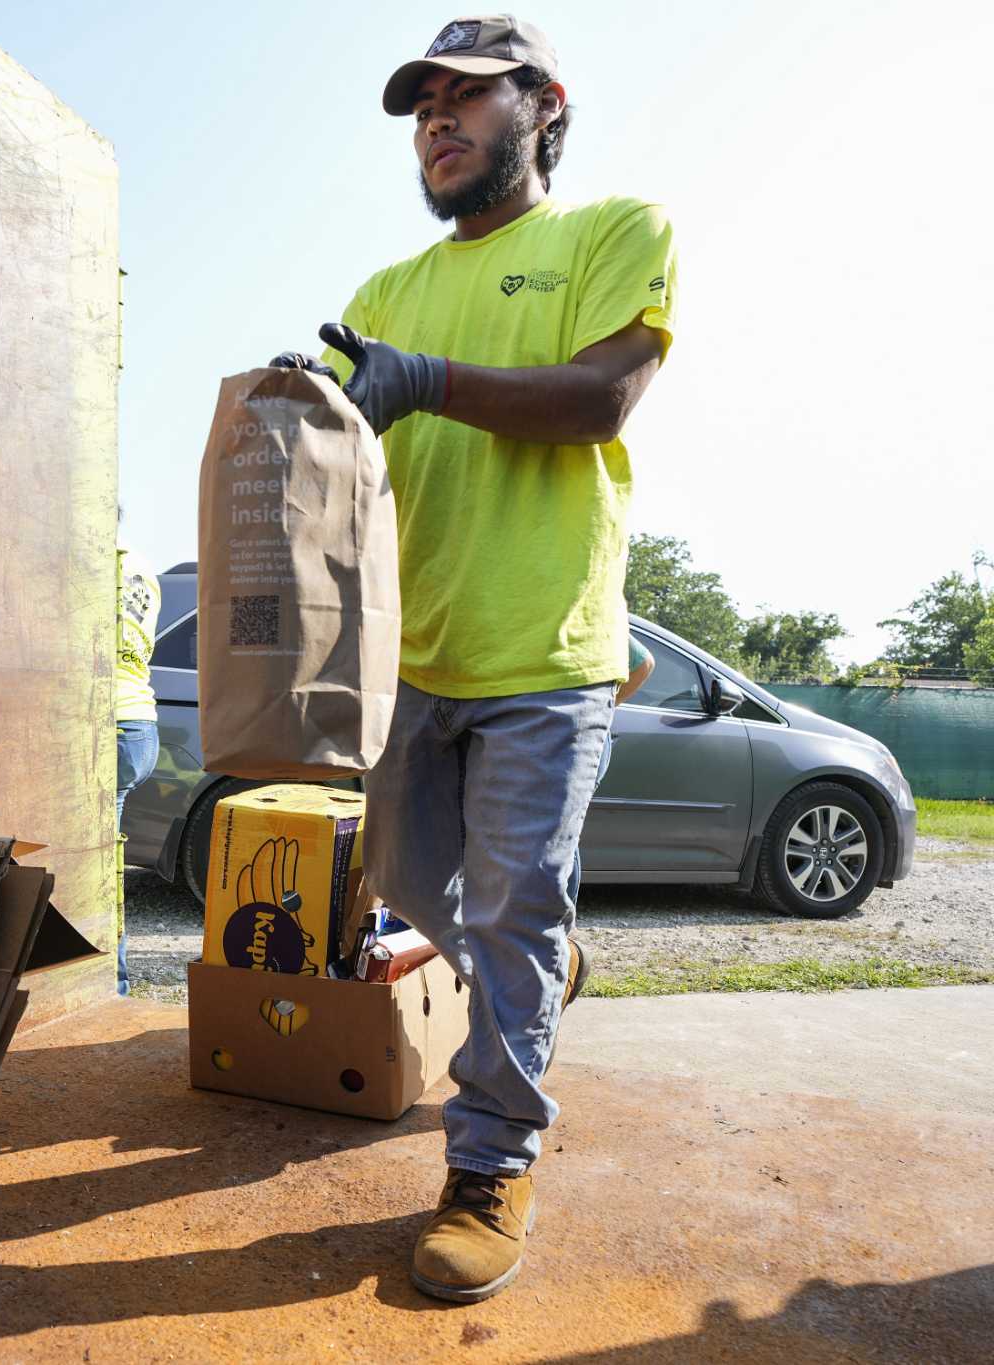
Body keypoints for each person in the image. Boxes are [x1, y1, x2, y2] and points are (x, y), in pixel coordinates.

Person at [273, 15, 677, 1303]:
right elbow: (342, 468)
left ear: (542, 106)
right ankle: (537, 964)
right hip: (409, 655)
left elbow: (599, 400)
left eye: (467, 97)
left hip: (542, 651)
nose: (436, 120)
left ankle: (489, 1162)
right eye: (421, 104)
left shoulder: (610, 233)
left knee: (508, 904)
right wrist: (300, 409)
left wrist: (426, 382)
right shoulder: (387, 291)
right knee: (399, 874)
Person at [113, 526, 161, 997]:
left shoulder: (93, 567)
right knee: (109, 860)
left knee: (98, 870)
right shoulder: (143, 570)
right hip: (141, 724)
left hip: (108, 726)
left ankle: (116, 982)